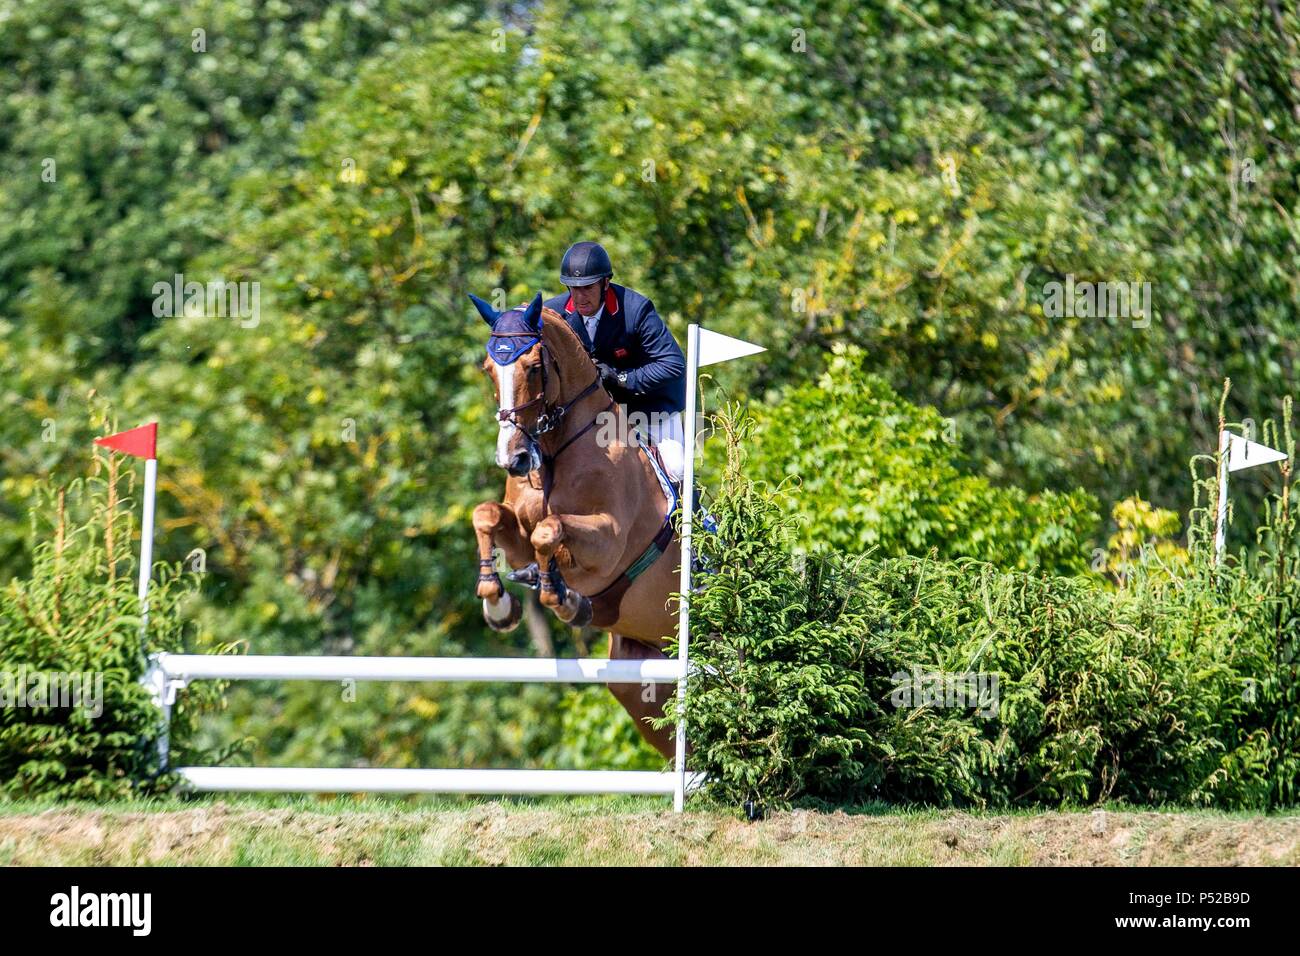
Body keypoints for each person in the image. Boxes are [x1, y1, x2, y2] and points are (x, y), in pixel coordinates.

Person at [544, 241, 687, 483]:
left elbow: (673, 364)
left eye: (587, 287)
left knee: (677, 468)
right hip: (592, 411)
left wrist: (622, 378)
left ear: (605, 283)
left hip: (649, 405)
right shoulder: (554, 315)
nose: (579, 297)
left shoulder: (635, 310)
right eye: (572, 288)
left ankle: (695, 519)